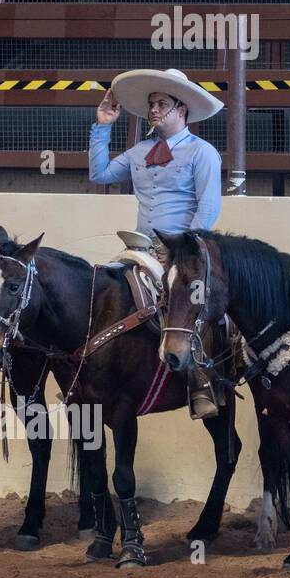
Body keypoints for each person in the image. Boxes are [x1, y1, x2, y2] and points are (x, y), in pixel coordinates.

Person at [91, 67, 224, 419]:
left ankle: (202, 383)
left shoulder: (202, 152)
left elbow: (208, 208)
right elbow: (99, 174)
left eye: (160, 103)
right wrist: (103, 125)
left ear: (182, 109)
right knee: (105, 292)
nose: (152, 110)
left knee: (189, 306)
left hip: (184, 250)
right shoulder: (140, 151)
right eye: (151, 104)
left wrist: (184, 251)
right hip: (140, 248)